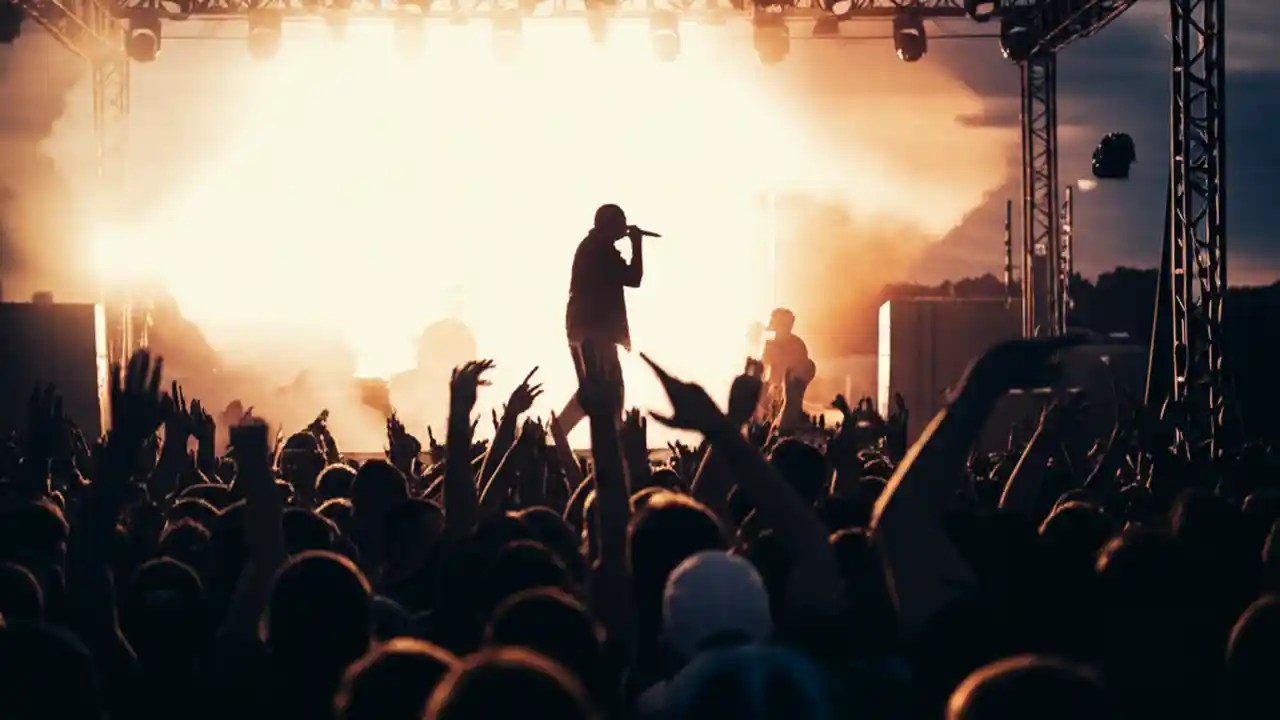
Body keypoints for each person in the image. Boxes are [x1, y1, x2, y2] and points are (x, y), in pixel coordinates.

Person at [556, 204, 649, 435]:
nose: (626, 226)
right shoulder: (601, 250)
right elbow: (634, 277)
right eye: (621, 221)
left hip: (584, 331)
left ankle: (559, 431)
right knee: (609, 390)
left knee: (593, 391)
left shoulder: (593, 247)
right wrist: (637, 245)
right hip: (595, 334)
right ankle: (610, 440)